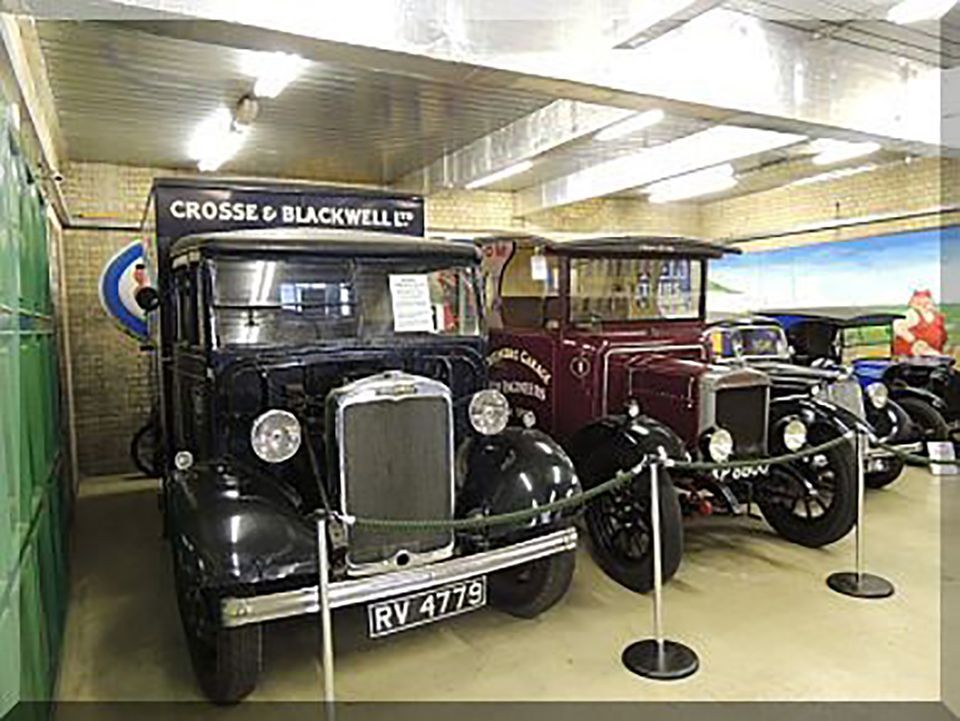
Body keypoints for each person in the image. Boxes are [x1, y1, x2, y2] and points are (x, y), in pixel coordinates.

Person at [893, 289, 947, 357]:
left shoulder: (938, 317)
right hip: (911, 356)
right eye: (919, 302)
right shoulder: (911, 314)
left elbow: (942, 337)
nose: (923, 305)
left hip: (933, 354)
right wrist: (914, 341)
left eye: (926, 302)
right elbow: (898, 326)